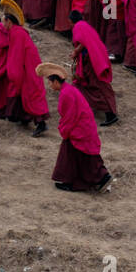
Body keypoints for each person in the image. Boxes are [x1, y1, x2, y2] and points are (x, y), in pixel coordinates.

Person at [38, 62, 112, 192]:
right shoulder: (69, 90)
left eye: (49, 82)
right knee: (80, 155)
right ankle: (99, 177)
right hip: (82, 127)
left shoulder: (66, 94)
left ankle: (100, 177)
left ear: (56, 81)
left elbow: (70, 117)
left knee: (77, 155)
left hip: (79, 129)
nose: (49, 85)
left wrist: (64, 131)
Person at [0, 0, 50, 136]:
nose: (1, 24)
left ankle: (41, 124)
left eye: (3, 21)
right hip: (29, 67)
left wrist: (13, 74)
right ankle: (23, 118)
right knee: (26, 93)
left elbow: (16, 57)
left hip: (29, 70)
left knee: (30, 94)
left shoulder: (17, 34)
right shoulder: (16, 32)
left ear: (9, 22)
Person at [71, 11, 118, 125]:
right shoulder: (85, 25)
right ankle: (81, 107)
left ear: (72, 21)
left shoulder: (78, 27)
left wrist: (76, 51)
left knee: (96, 85)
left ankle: (110, 114)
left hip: (91, 61)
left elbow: (82, 42)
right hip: (96, 57)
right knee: (80, 83)